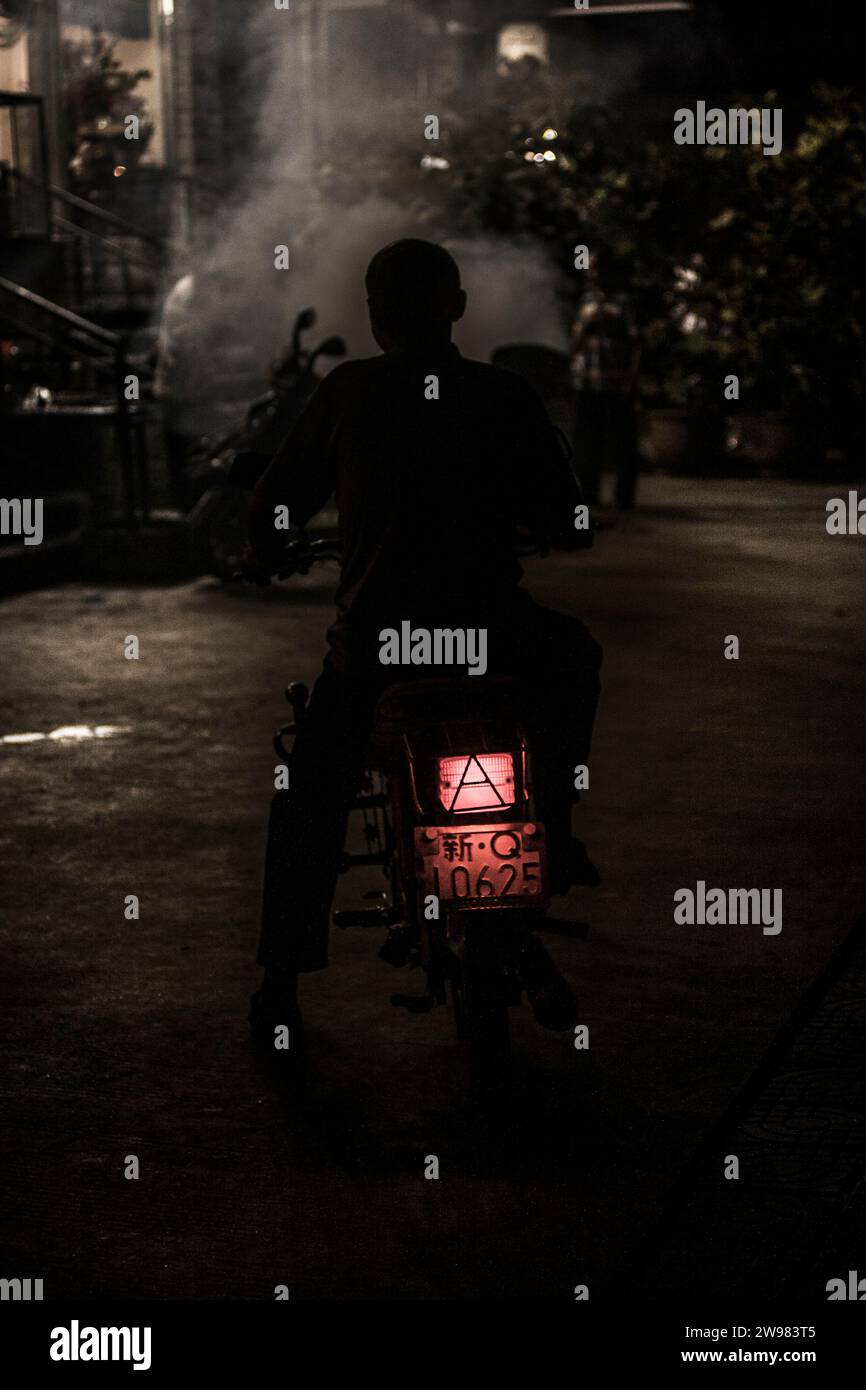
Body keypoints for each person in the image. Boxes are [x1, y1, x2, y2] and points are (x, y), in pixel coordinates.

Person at [244, 239, 602, 1043]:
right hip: (492, 640)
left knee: (312, 796)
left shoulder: (347, 392)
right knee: (576, 654)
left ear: (375, 318)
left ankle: (279, 984)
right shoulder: (504, 394)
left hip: (375, 649)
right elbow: (563, 515)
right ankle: (560, 827)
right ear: (458, 307)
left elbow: (276, 506)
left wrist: (259, 554)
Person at [571, 261, 641, 510]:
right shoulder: (586, 301)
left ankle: (624, 497)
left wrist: (630, 380)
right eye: (591, 270)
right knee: (587, 443)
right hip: (588, 382)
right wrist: (588, 323)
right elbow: (575, 343)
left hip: (616, 384)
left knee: (622, 443)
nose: (594, 275)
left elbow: (635, 344)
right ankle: (588, 493)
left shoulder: (623, 302)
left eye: (598, 270)